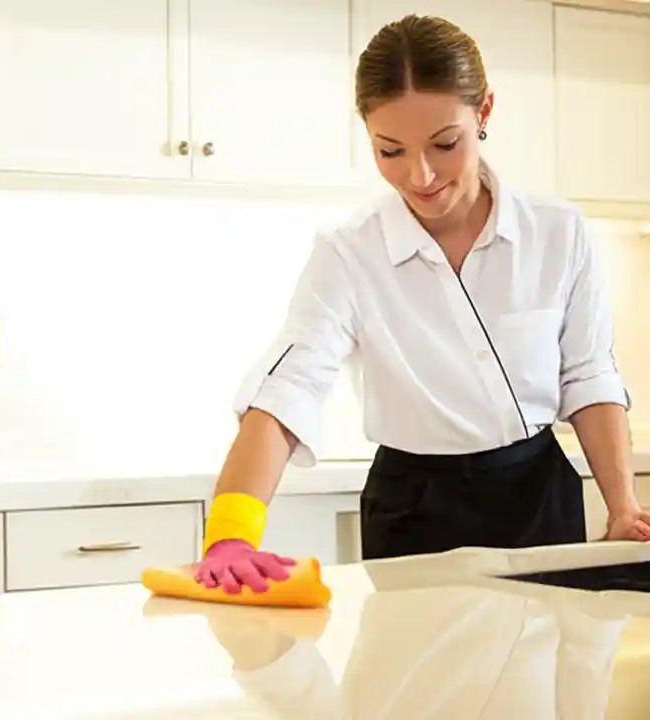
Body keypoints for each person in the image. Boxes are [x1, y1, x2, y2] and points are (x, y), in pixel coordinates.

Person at [195, 14, 650, 595]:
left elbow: (588, 374)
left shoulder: (557, 232)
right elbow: (291, 388)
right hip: (414, 508)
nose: (421, 175)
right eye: (391, 151)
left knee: (542, 683)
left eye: (444, 144)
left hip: (537, 499)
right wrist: (231, 532)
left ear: (483, 113)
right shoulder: (349, 253)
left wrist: (622, 507)